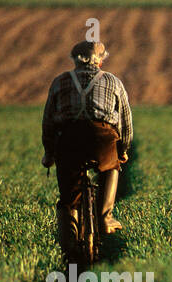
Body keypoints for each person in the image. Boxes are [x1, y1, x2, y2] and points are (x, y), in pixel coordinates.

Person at [41, 40, 133, 251]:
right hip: (101, 139)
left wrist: (49, 153)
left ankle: (68, 237)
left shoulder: (60, 81)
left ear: (74, 61)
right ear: (100, 62)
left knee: (68, 195)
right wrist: (124, 150)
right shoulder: (113, 81)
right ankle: (105, 218)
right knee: (111, 168)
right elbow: (126, 122)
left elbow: (48, 120)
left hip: (69, 141)